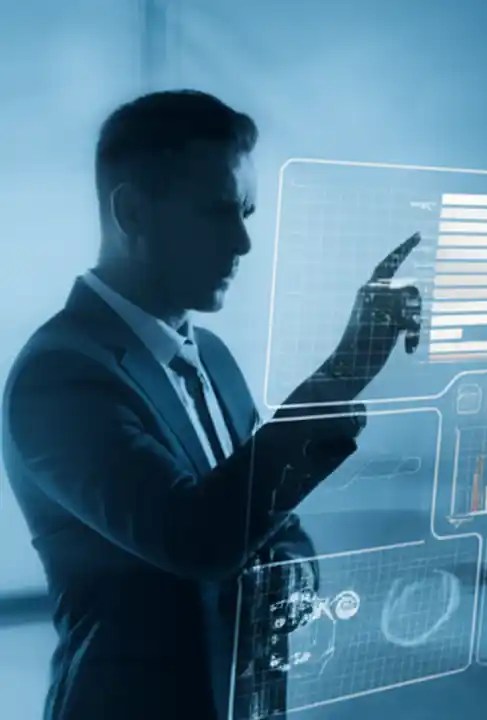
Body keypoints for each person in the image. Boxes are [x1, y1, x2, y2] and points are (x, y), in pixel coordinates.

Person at [1, 90, 421, 720]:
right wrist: (342, 373)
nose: (244, 242)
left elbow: (276, 524)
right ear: (133, 212)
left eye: (246, 212)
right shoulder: (57, 376)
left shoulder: (214, 358)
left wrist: (294, 581)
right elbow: (195, 537)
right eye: (219, 212)